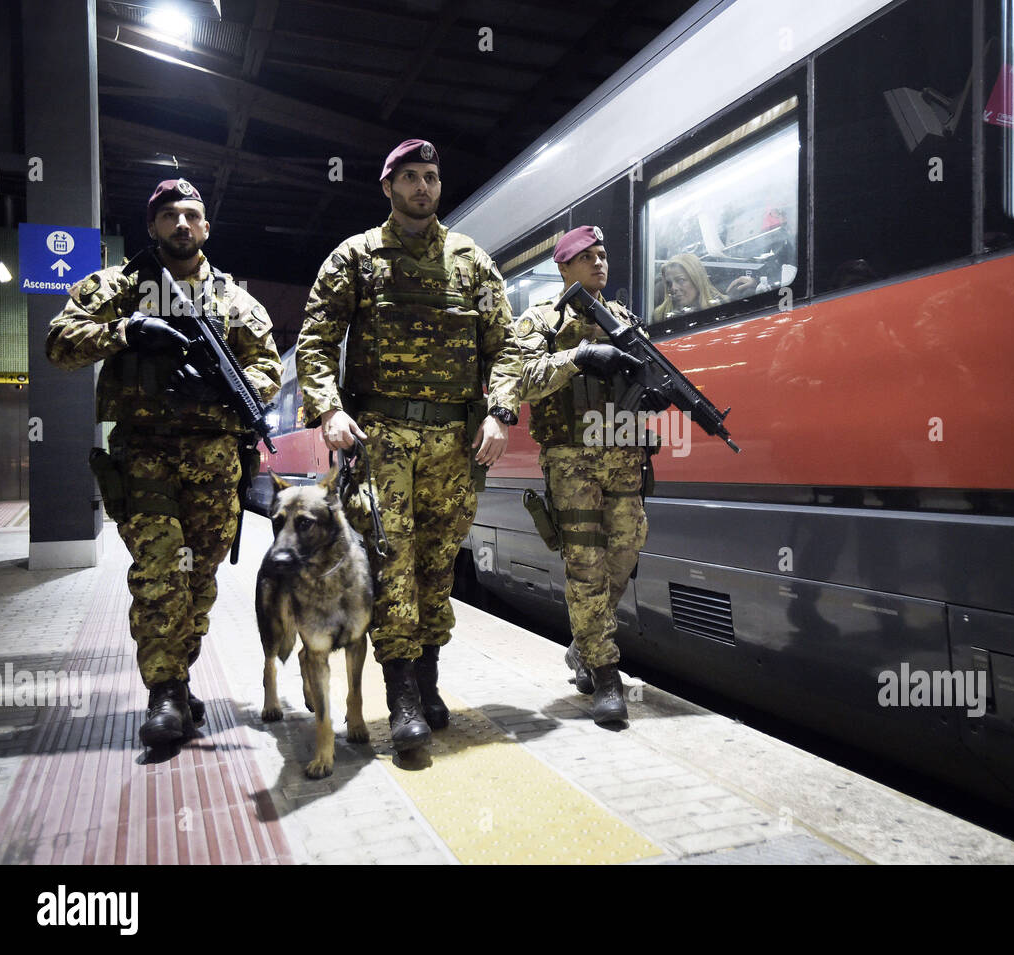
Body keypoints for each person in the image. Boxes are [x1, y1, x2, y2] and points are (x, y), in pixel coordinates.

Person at [296, 139, 521, 753]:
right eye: (411, 177)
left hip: (455, 440)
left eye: (432, 177)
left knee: (439, 564)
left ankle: (428, 675)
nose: (424, 187)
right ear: (388, 186)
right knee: (394, 561)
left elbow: (507, 347)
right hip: (383, 438)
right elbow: (314, 342)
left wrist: (499, 412)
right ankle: (402, 697)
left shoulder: (472, 261)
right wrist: (331, 409)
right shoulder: (357, 258)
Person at [45, 178, 283, 748]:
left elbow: (267, 372)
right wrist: (127, 330)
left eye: (192, 215)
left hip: (216, 460)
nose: (182, 224)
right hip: (145, 453)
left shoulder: (234, 300)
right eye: (169, 215)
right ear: (152, 225)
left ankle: (178, 675)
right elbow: (59, 342)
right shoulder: (119, 286)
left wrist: (219, 392)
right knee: (160, 571)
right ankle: (165, 695)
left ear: (206, 227)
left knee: (198, 579)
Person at [510, 225, 648, 725]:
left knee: (627, 547)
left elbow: (646, 374)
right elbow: (520, 378)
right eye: (586, 257)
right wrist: (579, 357)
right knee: (586, 562)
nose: (599, 263)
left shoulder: (626, 321)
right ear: (563, 268)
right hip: (572, 456)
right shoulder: (539, 320)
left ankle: (583, 645)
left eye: (603, 255)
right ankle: (605, 674)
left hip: (623, 453)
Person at [651, 253, 726, 322]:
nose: (673, 288)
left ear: (696, 280)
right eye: (669, 283)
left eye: (680, 280)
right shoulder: (660, 316)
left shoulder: (723, 306)